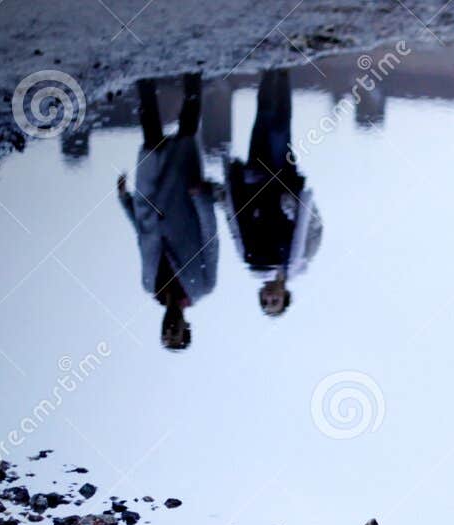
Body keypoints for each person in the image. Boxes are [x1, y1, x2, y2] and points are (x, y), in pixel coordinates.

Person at [117, 75, 218, 350]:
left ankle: (144, 81)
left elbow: (143, 240)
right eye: (175, 333)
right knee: (186, 135)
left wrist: (125, 201)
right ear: (186, 328)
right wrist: (201, 200)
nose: (170, 328)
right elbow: (210, 240)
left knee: (151, 142)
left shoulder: (150, 286)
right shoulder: (204, 286)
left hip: (148, 206)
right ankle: (193, 78)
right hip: (183, 200)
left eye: (165, 333)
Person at [222, 69, 322, 316]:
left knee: (263, 121)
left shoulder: (252, 261)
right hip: (284, 180)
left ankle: (269, 73)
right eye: (275, 302)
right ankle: (284, 74)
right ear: (285, 295)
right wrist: (297, 204)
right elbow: (316, 226)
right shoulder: (300, 261)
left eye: (265, 302)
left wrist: (224, 192)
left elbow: (236, 226)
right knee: (279, 131)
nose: (269, 298)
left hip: (255, 178)